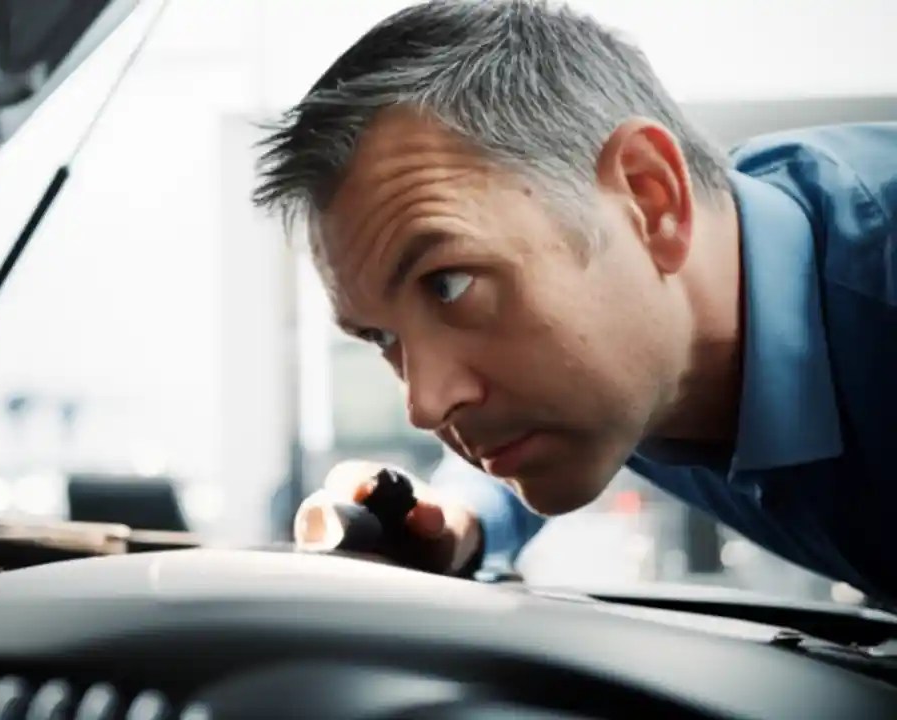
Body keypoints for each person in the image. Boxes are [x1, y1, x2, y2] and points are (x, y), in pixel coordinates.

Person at [252, 0, 897, 605]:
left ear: (650, 198)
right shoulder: (640, 346)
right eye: (383, 338)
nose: (425, 404)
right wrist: (461, 521)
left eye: (449, 284)